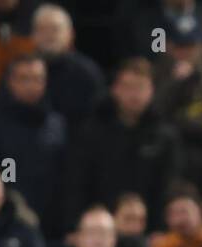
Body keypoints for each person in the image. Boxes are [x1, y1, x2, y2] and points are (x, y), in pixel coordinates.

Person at [62, 58, 180, 234]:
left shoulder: (165, 137)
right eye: (128, 87)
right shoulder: (91, 133)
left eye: (140, 87)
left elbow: (169, 188)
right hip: (99, 230)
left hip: (151, 233)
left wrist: (162, 230)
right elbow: (76, 185)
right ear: (115, 89)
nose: (134, 94)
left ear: (151, 91)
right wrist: (75, 227)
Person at [0, 53, 68, 239]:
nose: (31, 86)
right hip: (6, 222)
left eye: (37, 79)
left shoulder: (57, 124)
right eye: (24, 79)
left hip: (53, 222)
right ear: (10, 82)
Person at [152, 15, 202, 190]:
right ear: (169, 47)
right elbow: (154, 114)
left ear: (200, 47)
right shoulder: (158, 76)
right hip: (164, 156)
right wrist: (174, 83)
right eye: (180, 47)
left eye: (191, 47)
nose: (185, 53)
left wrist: (180, 120)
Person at [31, 3, 104, 131]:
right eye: (42, 29)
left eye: (55, 29)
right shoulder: (21, 70)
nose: (49, 35)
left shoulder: (87, 73)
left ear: (70, 34)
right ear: (32, 35)